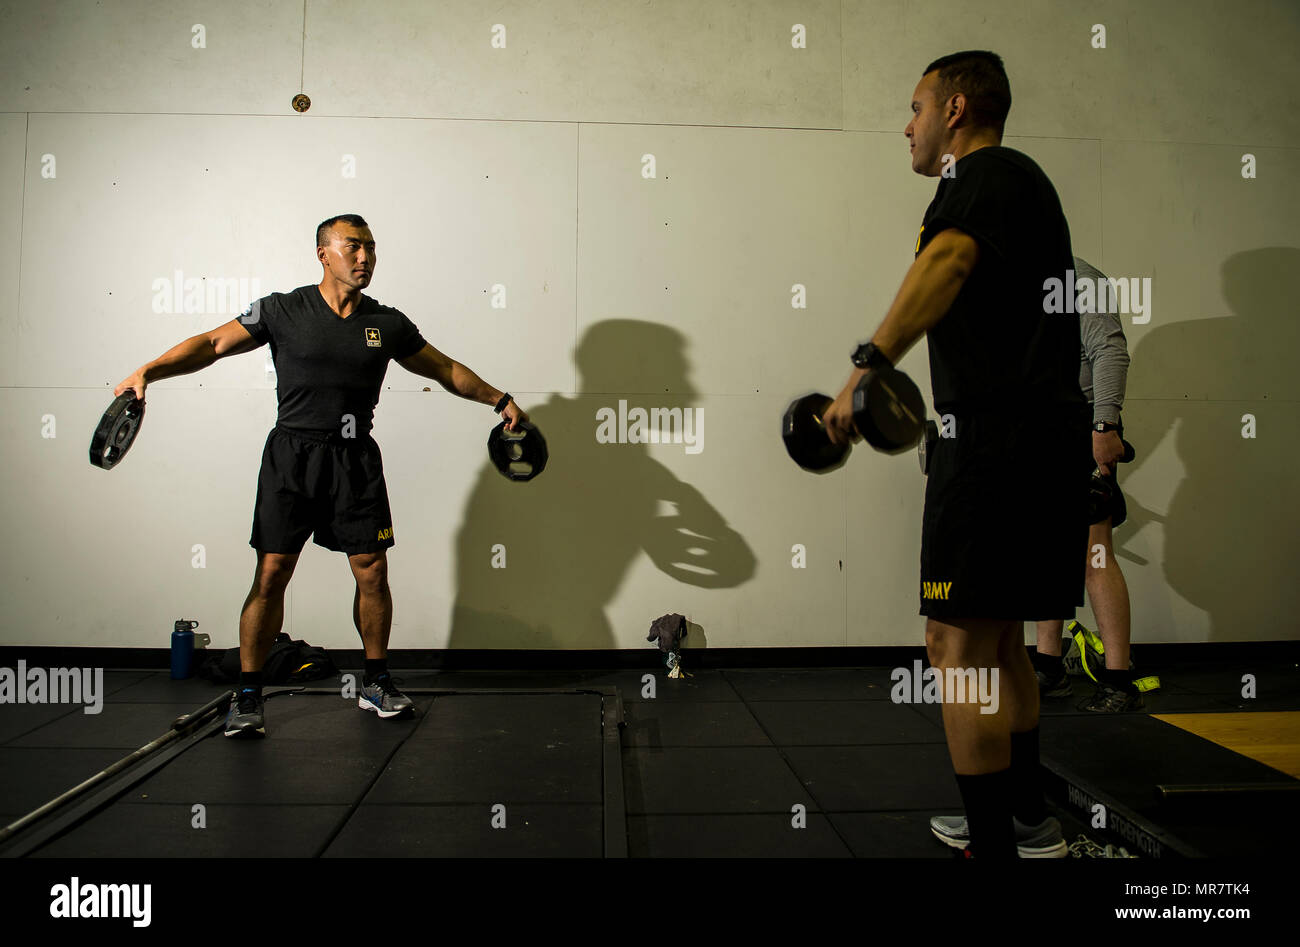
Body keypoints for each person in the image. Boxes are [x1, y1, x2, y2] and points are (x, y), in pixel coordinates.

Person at [113, 214, 528, 738]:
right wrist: (148, 371)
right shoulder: (283, 309)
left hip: (355, 461)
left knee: (372, 570)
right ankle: (247, 692)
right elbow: (212, 344)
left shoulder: (388, 323)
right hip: (292, 457)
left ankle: (376, 681)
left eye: (371, 248)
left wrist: (500, 400)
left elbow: (444, 369)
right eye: (353, 246)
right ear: (322, 253)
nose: (365, 258)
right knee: (272, 573)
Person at [823, 51, 1088, 859]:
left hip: (994, 448)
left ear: (957, 110)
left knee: (954, 646)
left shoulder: (983, 177)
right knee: (1002, 640)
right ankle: (1025, 822)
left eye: (916, 108)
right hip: (1036, 444)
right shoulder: (1024, 186)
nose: (907, 126)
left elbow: (945, 263)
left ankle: (991, 847)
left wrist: (863, 371)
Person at [1033, 256, 1142, 712]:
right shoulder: (1010, 279)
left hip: (1082, 426)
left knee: (1095, 553)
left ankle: (1119, 679)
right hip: (1036, 433)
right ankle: (1049, 667)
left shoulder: (1078, 277)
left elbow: (1110, 350)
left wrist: (1104, 427)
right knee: (1046, 551)